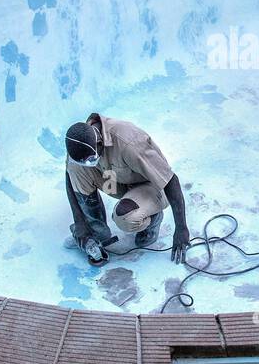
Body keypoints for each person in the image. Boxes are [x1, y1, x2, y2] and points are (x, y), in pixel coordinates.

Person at [64, 112, 190, 266]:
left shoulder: (129, 141)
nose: (90, 163)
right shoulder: (80, 143)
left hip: (154, 186)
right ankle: (96, 233)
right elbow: (71, 178)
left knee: (125, 217)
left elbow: (171, 180)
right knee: (75, 168)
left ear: (98, 141)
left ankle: (153, 219)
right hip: (117, 179)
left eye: (91, 159)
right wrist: (80, 224)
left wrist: (181, 228)